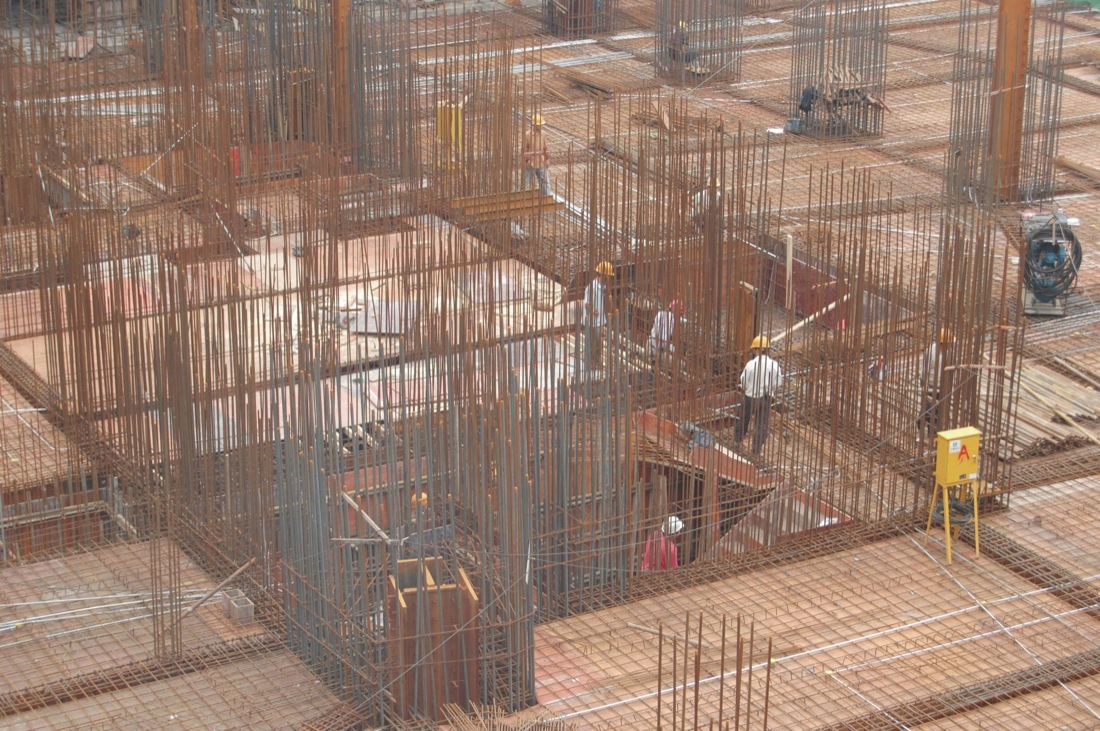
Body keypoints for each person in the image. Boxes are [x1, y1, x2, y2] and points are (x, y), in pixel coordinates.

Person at [735, 335, 784, 454]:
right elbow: (778, 383)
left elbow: (744, 381)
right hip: (766, 398)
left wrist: (748, 388)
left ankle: (737, 441)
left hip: (750, 397)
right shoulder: (774, 365)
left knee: (743, 419)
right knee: (762, 423)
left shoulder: (751, 365)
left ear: (757, 350)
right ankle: (756, 449)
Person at [919, 328, 953, 440]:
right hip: (930, 385)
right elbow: (924, 372)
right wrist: (926, 387)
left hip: (942, 385)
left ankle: (932, 433)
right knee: (928, 409)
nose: (950, 345)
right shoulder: (931, 352)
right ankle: (920, 425)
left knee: (938, 411)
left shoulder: (949, 352)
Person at [583, 261, 614, 372]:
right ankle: (592, 363)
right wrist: (592, 311)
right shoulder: (591, 287)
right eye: (608, 276)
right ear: (603, 275)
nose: (609, 278)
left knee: (599, 343)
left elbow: (605, 292)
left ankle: (596, 362)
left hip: (600, 320)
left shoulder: (601, 287)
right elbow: (586, 302)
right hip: (593, 321)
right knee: (594, 343)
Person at [647, 299, 684, 370]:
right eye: (680, 314)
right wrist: (673, 349)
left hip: (649, 344)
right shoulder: (672, 320)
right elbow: (663, 341)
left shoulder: (660, 313)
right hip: (657, 350)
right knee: (681, 364)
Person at [523, 114, 550, 196]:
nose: (540, 126)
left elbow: (546, 148)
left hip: (541, 163)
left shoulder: (543, 134)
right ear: (534, 125)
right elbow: (524, 150)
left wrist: (547, 159)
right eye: (539, 125)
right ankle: (524, 200)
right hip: (530, 164)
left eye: (541, 125)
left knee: (545, 183)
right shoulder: (527, 135)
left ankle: (547, 199)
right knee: (526, 183)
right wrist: (528, 161)